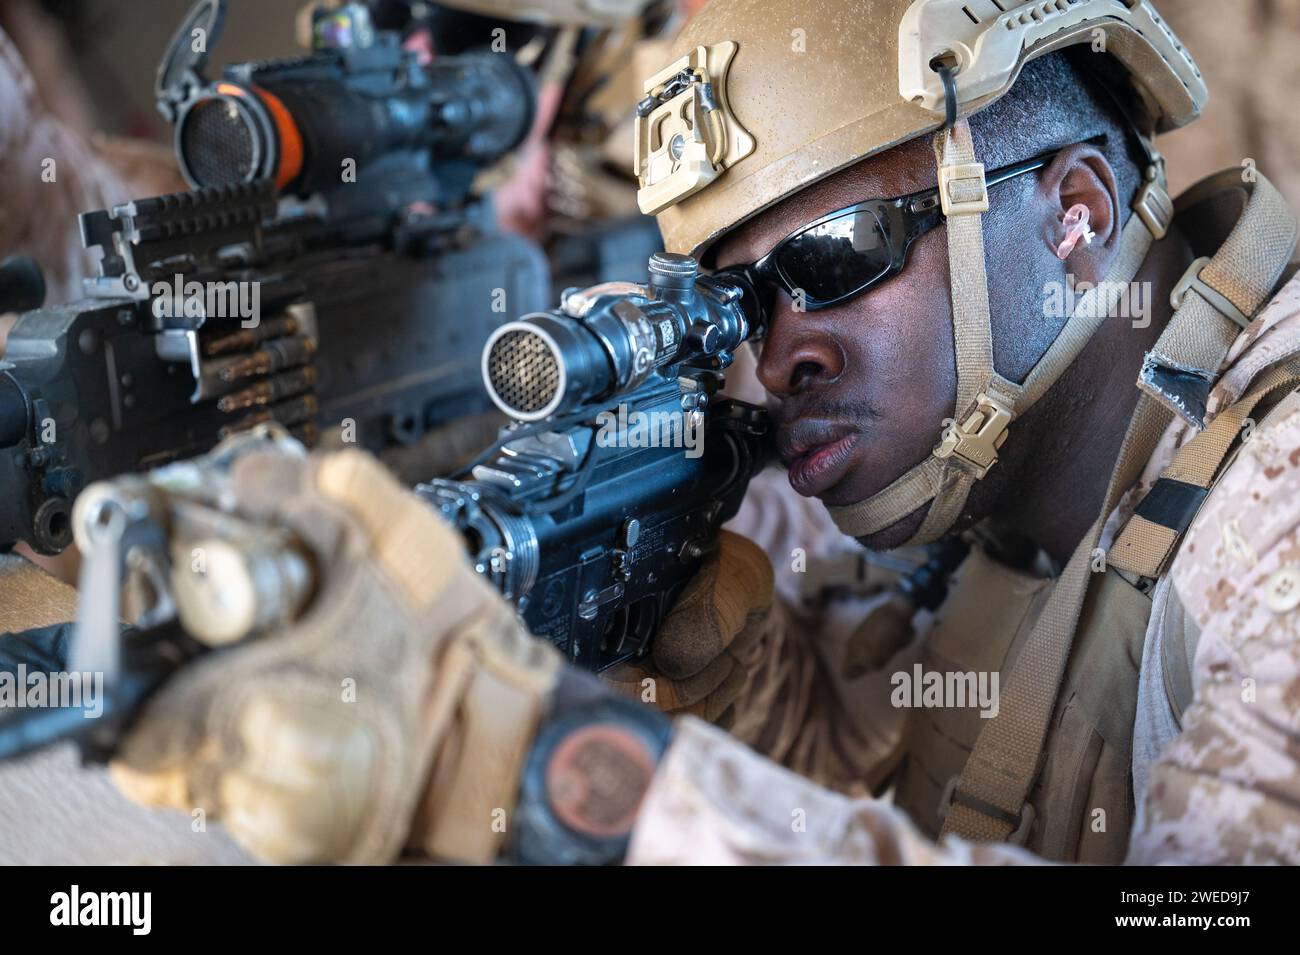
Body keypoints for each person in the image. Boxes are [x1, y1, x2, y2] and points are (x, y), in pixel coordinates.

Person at [6, 0, 1300, 866]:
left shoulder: (1277, 492)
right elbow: (914, 785)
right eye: (738, 293)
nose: (769, 344)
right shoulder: (965, 479)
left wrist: (542, 762)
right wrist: (732, 657)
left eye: (835, 256)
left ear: (1073, 211)